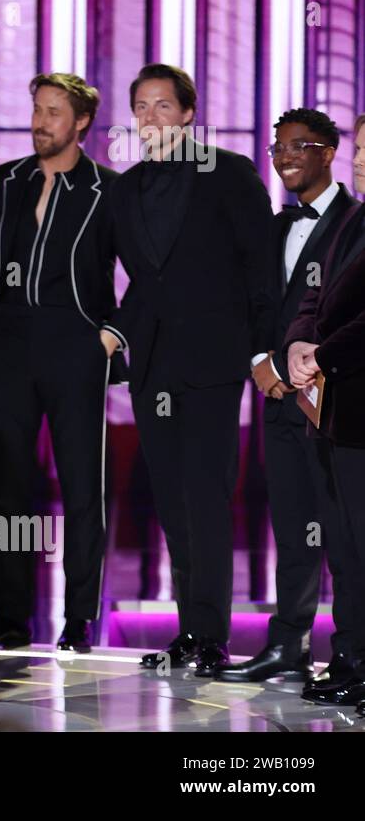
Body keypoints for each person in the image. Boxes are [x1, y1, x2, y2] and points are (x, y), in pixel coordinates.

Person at [105, 64, 277, 678]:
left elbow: (263, 268)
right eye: (141, 107)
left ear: (186, 114)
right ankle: (189, 630)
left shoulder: (229, 173)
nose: (150, 118)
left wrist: (264, 352)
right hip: (153, 366)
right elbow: (139, 287)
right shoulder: (123, 192)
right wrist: (114, 333)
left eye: (162, 106)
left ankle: (213, 636)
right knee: (174, 506)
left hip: (214, 361)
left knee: (207, 500)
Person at [0, 73, 122, 653]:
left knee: (82, 487)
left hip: (76, 345)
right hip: (8, 345)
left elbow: (144, 271)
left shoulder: (107, 188)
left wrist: (110, 334)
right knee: (8, 490)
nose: (40, 121)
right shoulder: (12, 178)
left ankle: (79, 619)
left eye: (54, 112)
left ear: (80, 122)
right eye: (36, 109)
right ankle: (10, 620)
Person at [219, 109, 357, 684]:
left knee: (344, 533)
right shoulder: (273, 226)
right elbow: (253, 303)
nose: (286, 157)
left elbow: (346, 315)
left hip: (339, 403)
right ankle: (288, 645)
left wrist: (294, 364)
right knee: (293, 526)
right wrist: (261, 363)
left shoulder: (357, 221)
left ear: (330, 151)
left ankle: (351, 654)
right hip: (277, 399)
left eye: (300, 146)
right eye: (278, 148)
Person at [285, 113, 365, 709]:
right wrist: (297, 343)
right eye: (359, 150)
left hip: (354, 394)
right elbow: (315, 292)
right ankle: (353, 658)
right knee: (345, 546)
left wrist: (324, 357)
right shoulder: (355, 220)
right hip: (337, 409)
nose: (360, 162)